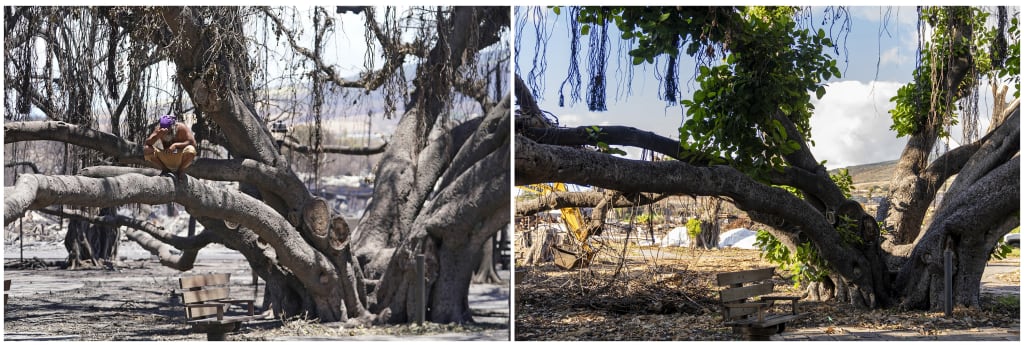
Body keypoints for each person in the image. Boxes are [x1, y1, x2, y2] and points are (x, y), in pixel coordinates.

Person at [143, 114, 197, 180]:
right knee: (147, 149)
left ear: (173, 126)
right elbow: (147, 143)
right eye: (165, 131)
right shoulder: (159, 129)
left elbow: (192, 143)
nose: (166, 133)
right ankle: (165, 169)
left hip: (179, 155)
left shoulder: (181, 128)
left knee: (191, 150)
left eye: (169, 131)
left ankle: (180, 170)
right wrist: (157, 136)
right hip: (167, 155)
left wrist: (176, 145)